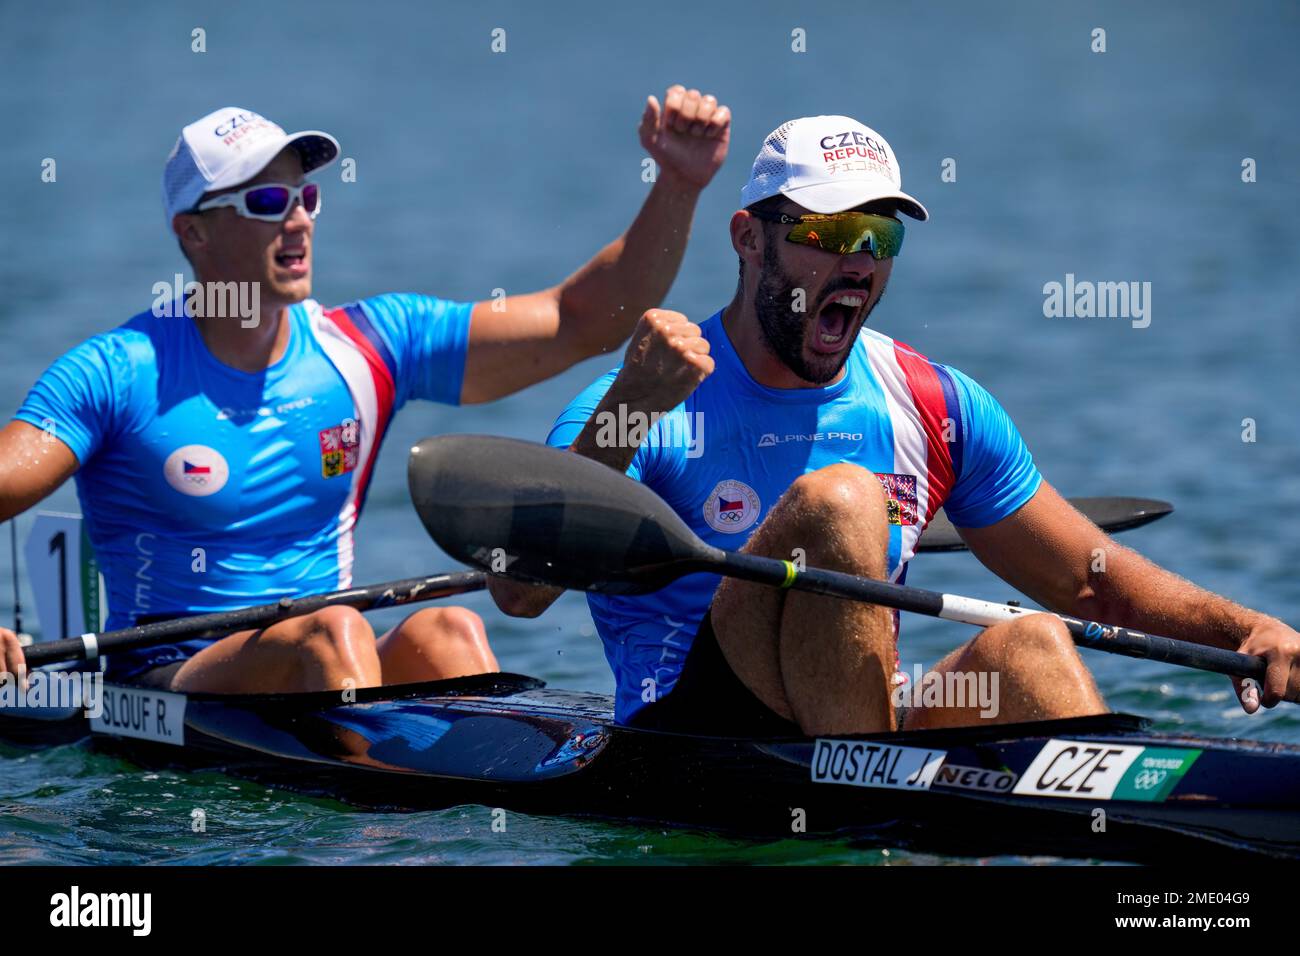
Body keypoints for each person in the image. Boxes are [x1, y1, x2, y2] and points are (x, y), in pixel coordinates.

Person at [489, 114, 1300, 736]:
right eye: (827, 234)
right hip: (694, 734)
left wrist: (1248, 628)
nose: (858, 263)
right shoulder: (649, 397)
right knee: (842, 502)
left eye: (879, 238)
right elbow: (521, 592)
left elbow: (1089, 580)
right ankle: (872, 825)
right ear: (748, 239)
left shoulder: (935, 404)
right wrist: (632, 402)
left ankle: (1120, 827)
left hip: (862, 717)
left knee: (1033, 643)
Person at [0, 88, 732, 695]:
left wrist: (677, 185)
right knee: (337, 630)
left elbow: (580, 320)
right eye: (265, 200)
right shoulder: (119, 371)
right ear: (193, 234)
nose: (296, 219)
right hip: (166, 674)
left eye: (306, 196)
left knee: (451, 629)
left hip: (318, 659)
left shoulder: (367, 349)